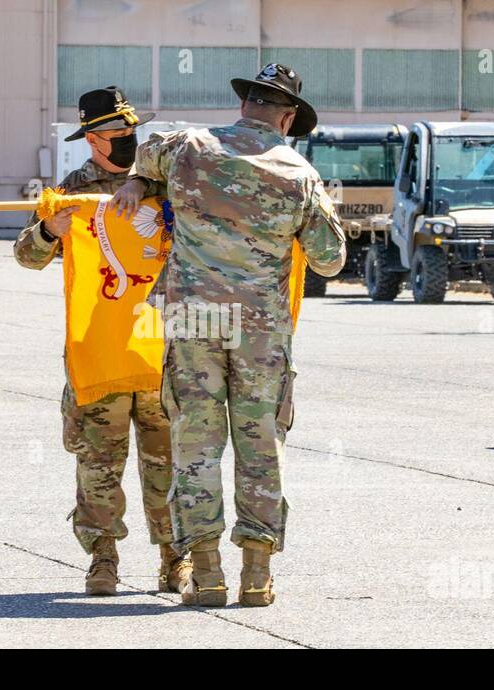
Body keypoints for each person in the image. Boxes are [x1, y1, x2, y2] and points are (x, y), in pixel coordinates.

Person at [111, 64, 346, 607]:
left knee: (195, 442)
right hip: (260, 330)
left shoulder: (188, 147)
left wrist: (138, 182)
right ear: (287, 118)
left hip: (195, 319)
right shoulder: (297, 171)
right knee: (260, 443)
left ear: (245, 106)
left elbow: (147, 150)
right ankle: (256, 576)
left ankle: (208, 574)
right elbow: (331, 261)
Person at [14, 87, 192, 596]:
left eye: (132, 130)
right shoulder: (72, 190)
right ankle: (103, 560)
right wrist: (49, 230)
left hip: (159, 348)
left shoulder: (166, 184)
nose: (129, 139)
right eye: (117, 133)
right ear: (93, 139)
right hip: (98, 350)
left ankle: (174, 558)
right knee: (98, 463)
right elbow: (26, 257)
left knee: (168, 461)